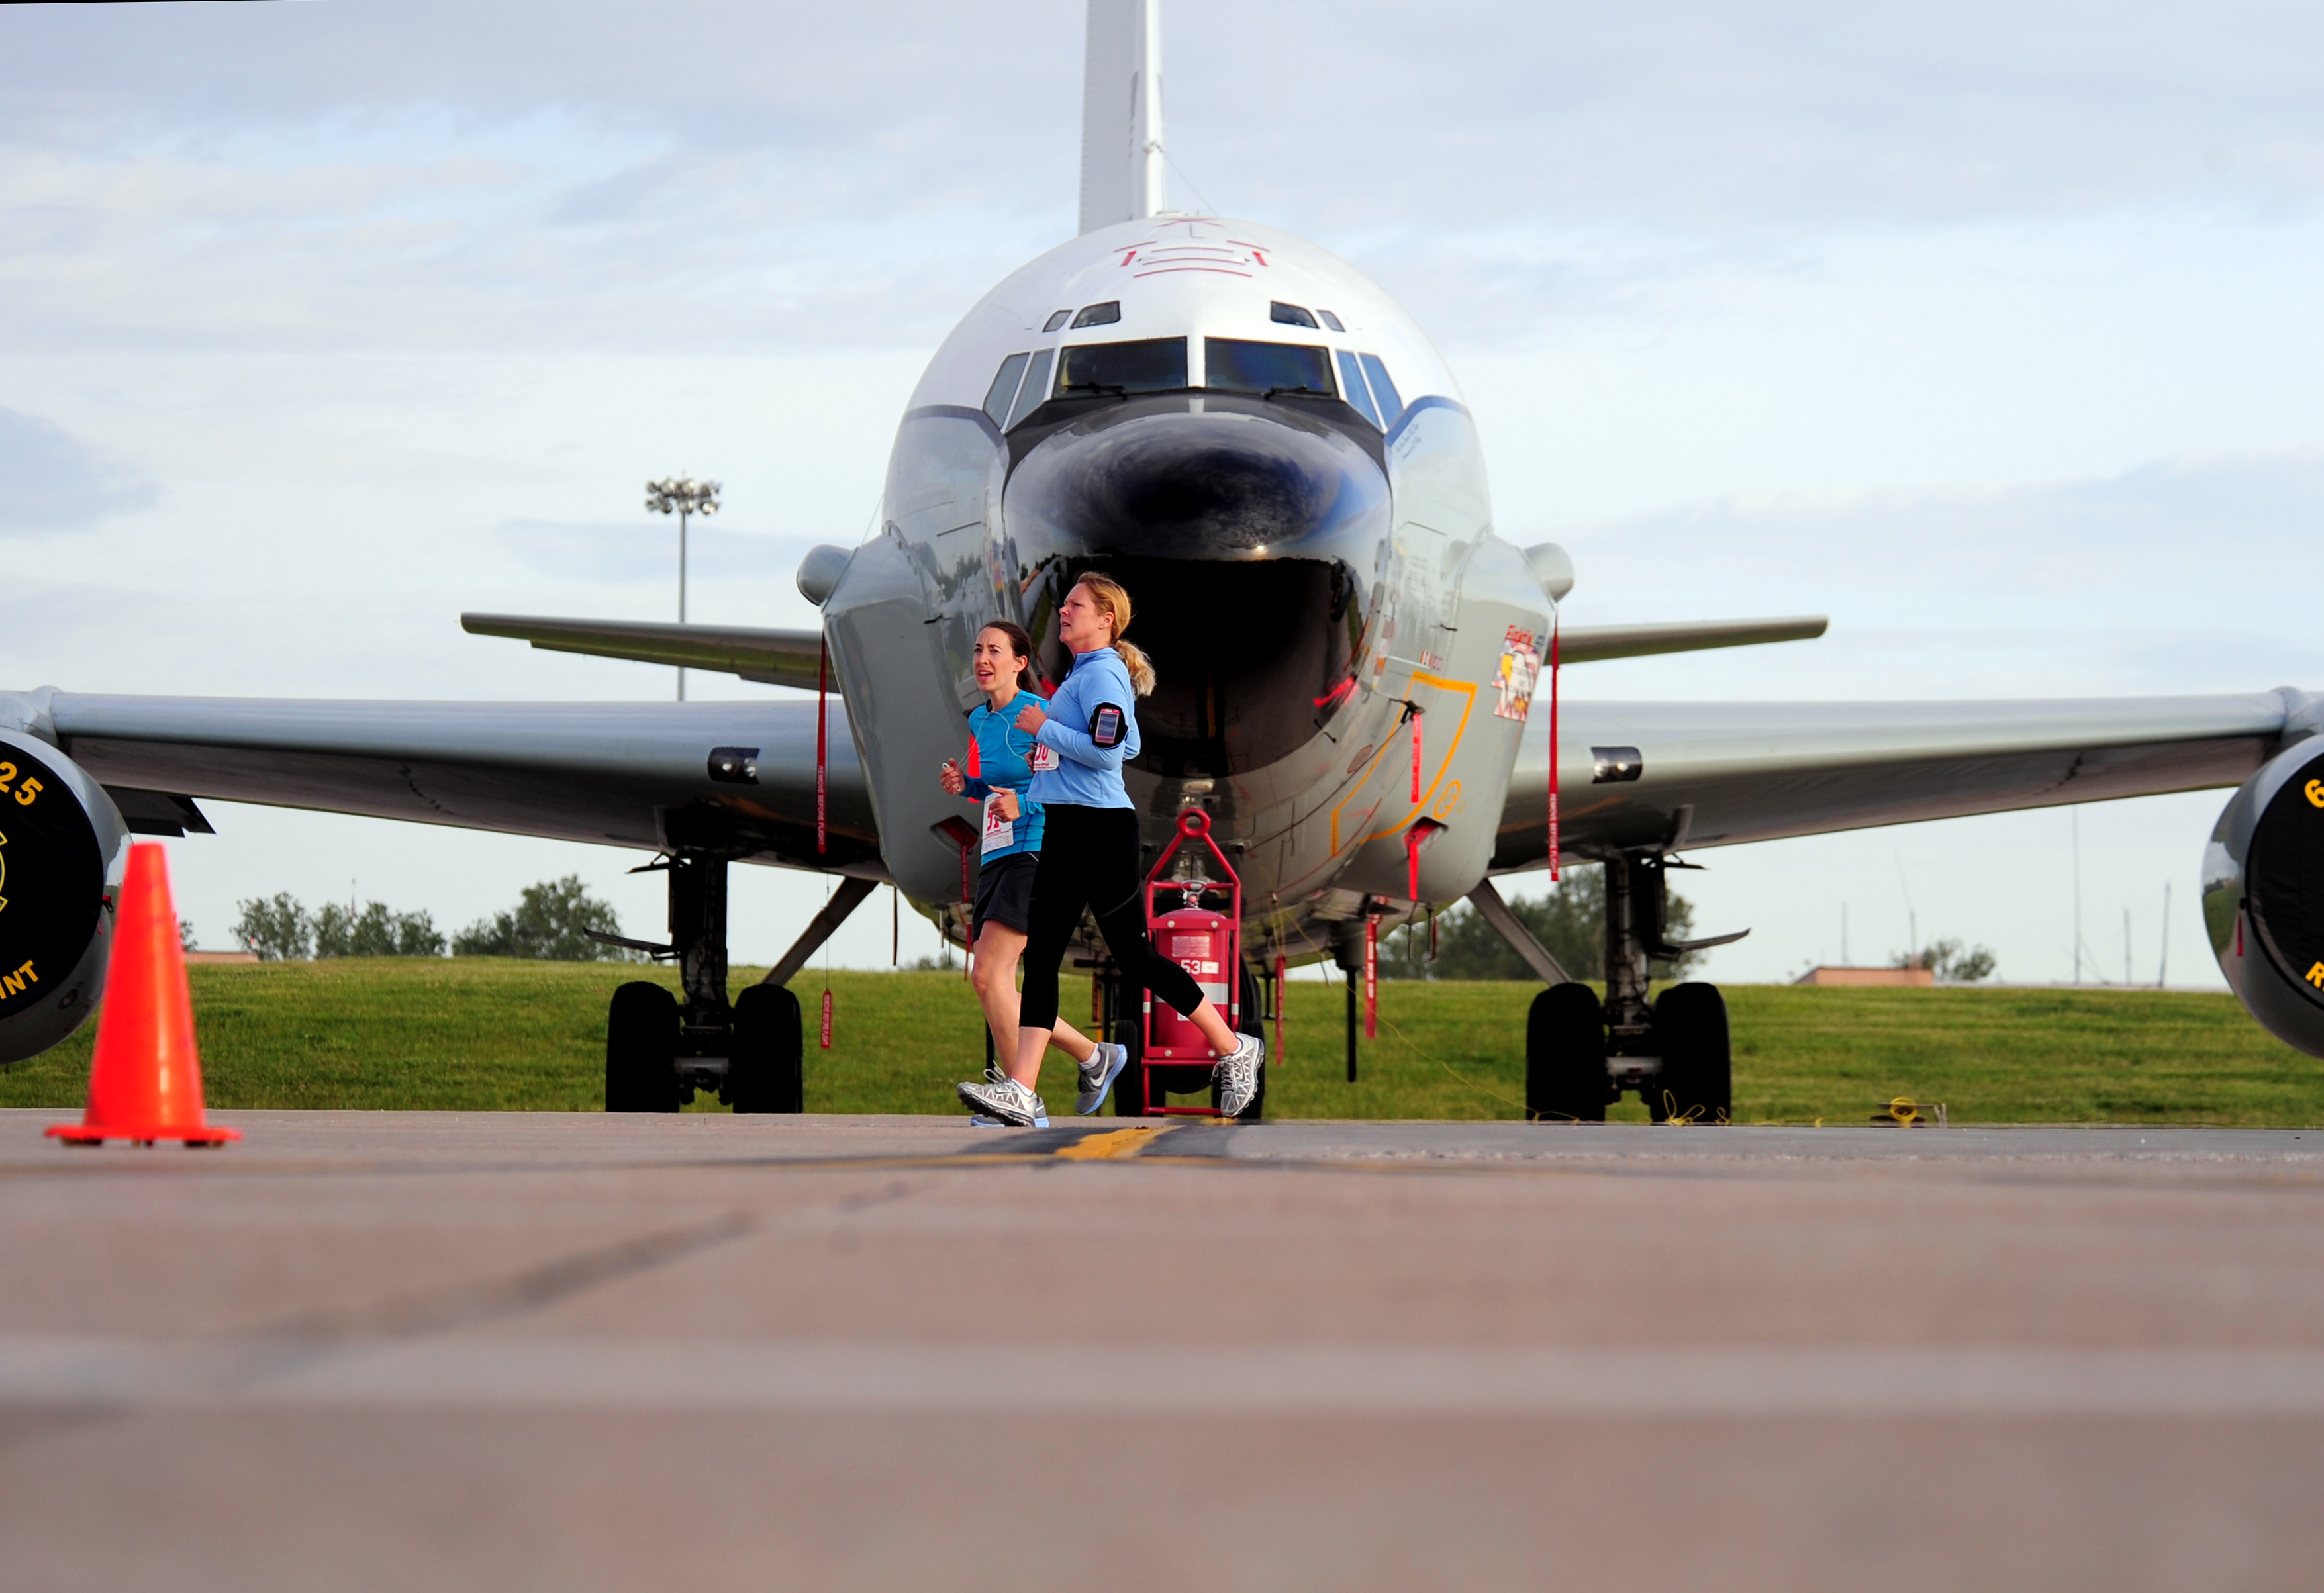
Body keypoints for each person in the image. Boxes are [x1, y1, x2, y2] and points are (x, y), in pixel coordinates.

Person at [955, 575, 1263, 1127]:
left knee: (1136, 958)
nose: (1065, 612)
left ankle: (1233, 1047)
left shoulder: (1102, 672)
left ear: (1106, 621)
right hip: (1068, 827)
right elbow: (1128, 740)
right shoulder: (1089, 675)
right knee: (1044, 956)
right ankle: (1022, 1091)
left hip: (1100, 830)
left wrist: (1044, 727)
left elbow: (1105, 755)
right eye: (1067, 605)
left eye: (1076, 606)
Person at [938, 622, 1125, 1125]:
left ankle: (1022, 1098)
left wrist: (1020, 800)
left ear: (1020, 663)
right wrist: (966, 787)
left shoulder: (1038, 712)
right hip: (997, 853)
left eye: (994, 650)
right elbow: (991, 787)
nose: (982, 658)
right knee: (993, 981)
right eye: (978, 649)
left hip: (1041, 845)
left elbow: (1065, 774)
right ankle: (1092, 1056)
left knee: (989, 973)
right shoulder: (979, 719)